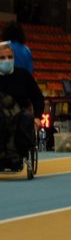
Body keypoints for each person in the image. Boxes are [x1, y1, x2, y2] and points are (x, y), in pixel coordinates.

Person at [0, 40, 43, 170]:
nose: (6, 60)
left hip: (20, 113)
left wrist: (37, 117)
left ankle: (17, 155)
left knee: (26, 118)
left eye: (9, 57)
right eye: (2, 57)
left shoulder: (23, 75)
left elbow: (37, 97)